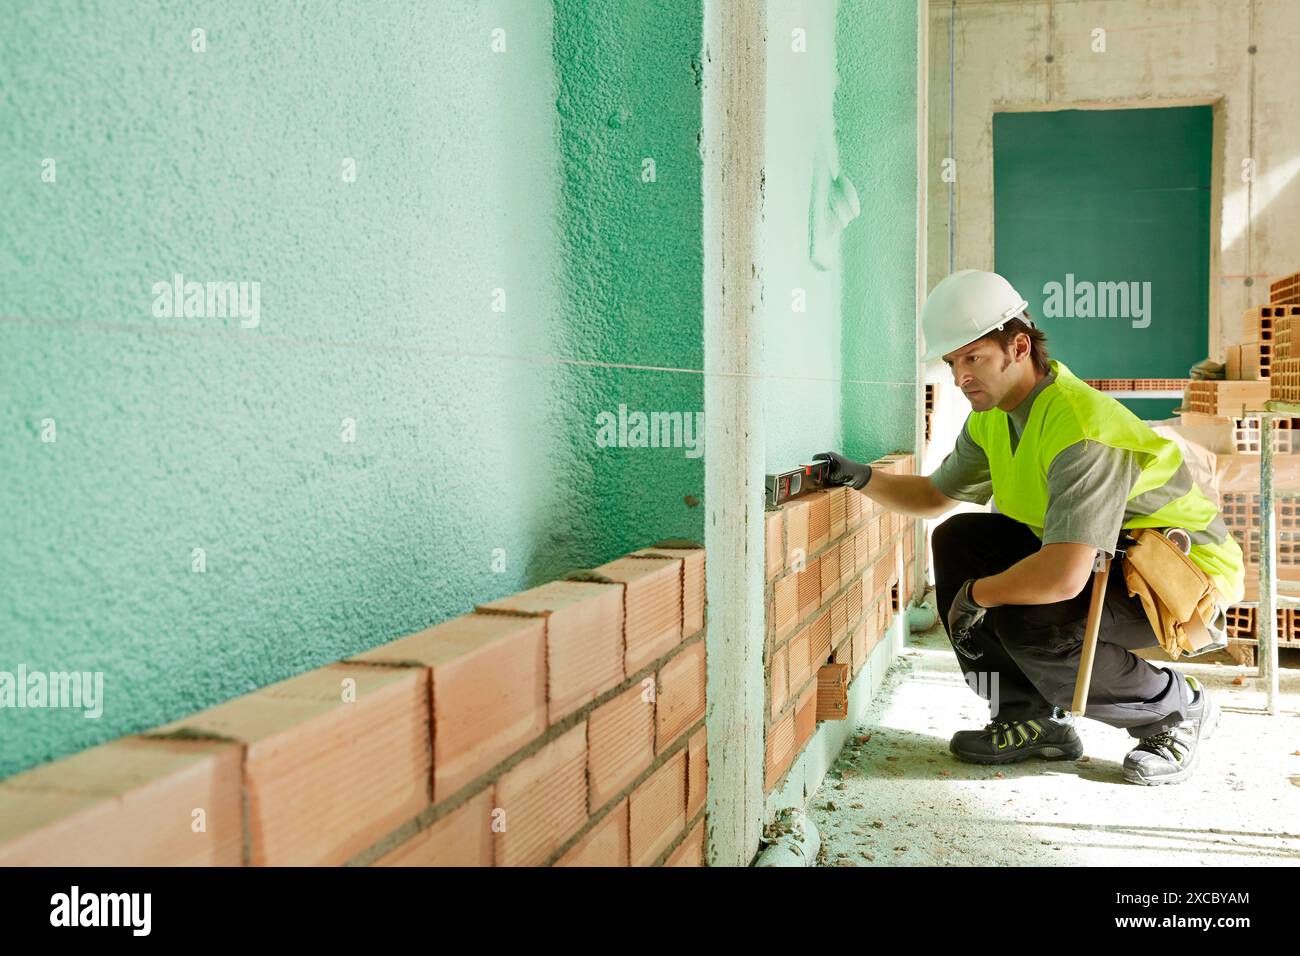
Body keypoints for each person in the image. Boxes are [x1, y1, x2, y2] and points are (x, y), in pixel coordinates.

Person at [815, 269, 1243, 785]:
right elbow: (933, 497)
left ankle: (1175, 708)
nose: (960, 377)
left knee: (1036, 625)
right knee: (959, 539)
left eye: (972, 358)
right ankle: (1028, 717)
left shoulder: (1082, 429)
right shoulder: (993, 416)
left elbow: (1062, 578)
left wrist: (979, 594)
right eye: (953, 362)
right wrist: (857, 476)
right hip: (1105, 557)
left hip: (1180, 575)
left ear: (1019, 346)